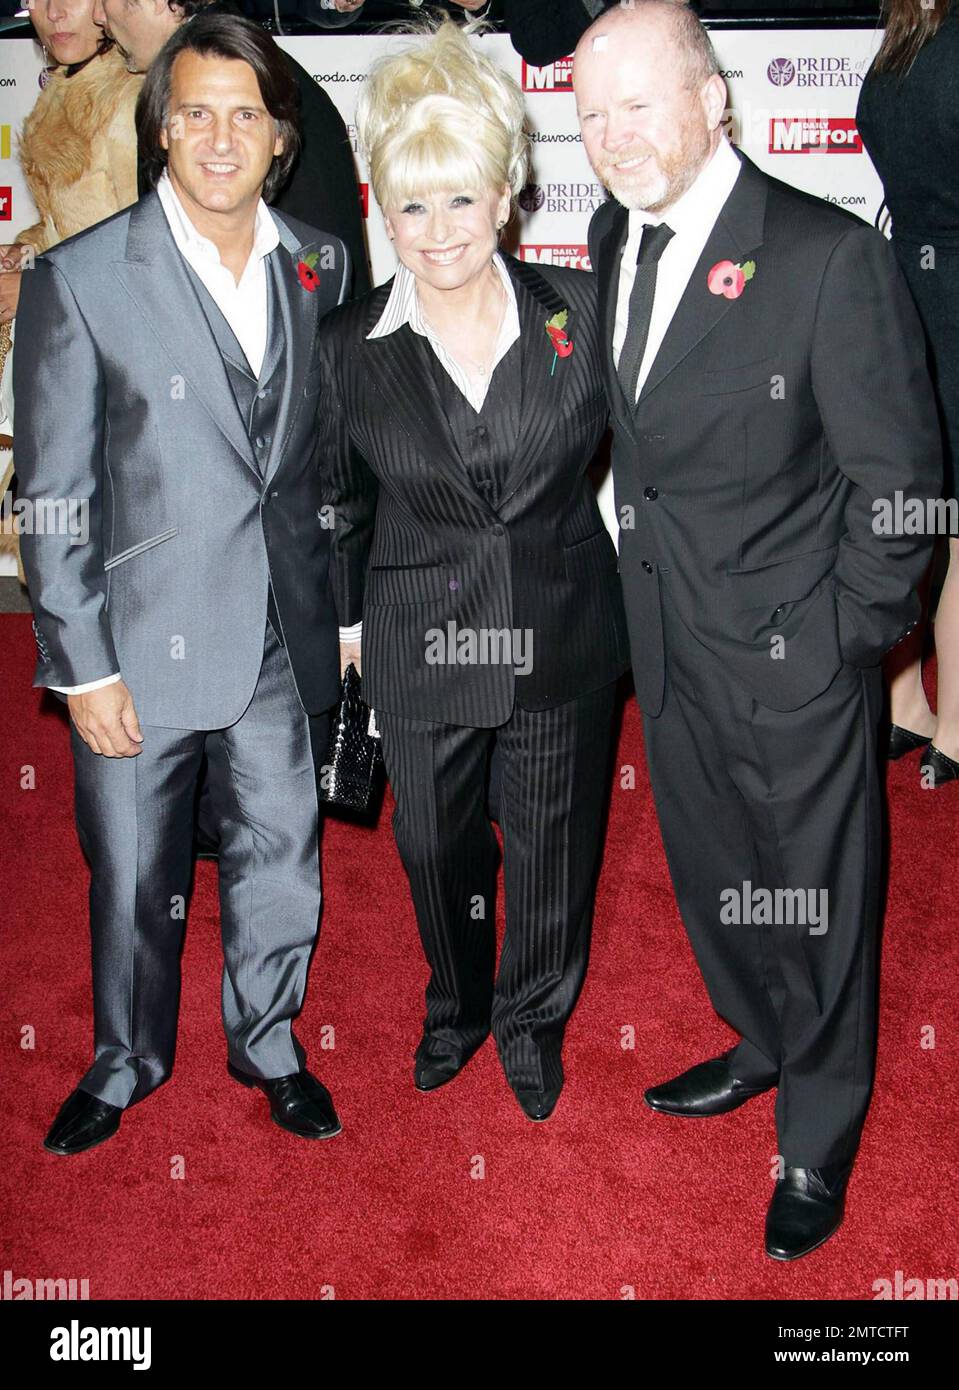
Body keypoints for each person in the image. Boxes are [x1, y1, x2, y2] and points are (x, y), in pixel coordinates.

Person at [575, 0, 940, 1258]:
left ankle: (819, 1123)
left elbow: (902, 489)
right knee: (715, 867)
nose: (611, 136)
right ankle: (760, 1034)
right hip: (667, 643)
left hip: (794, 655)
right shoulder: (616, 231)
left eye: (637, 103)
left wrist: (841, 641)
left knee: (819, 901)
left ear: (711, 100)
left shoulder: (823, 256)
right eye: (589, 111)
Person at [14, 12, 349, 1154]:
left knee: (281, 852)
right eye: (194, 111)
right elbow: (54, 494)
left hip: (276, 628)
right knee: (132, 875)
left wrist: (340, 614)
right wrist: (84, 665)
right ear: (161, 129)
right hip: (137, 638)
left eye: (243, 114)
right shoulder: (82, 276)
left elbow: (316, 463)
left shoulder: (318, 260)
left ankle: (270, 1041)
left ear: (278, 136)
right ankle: (123, 1062)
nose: (219, 137)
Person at [318, 19, 629, 1122]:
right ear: (380, 207)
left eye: (460, 199)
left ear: (504, 196)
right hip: (417, 639)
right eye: (412, 203)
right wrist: (346, 630)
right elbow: (338, 502)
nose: (438, 229)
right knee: (432, 845)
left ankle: (529, 1020)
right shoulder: (347, 344)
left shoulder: (581, 313)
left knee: (552, 847)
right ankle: (454, 1004)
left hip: (559, 630)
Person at [0, 0, 142, 571]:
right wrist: (23, 252)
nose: (55, 14)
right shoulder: (66, 83)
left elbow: (145, 248)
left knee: (91, 551)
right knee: (55, 546)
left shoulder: (131, 98)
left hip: (118, 363)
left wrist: (31, 291)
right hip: (69, 350)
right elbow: (70, 224)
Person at [857, 0, 959, 787]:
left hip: (906, 292)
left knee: (916, 516)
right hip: (949, 296)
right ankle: (952, 726)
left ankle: (903, 707)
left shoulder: (899, 46)